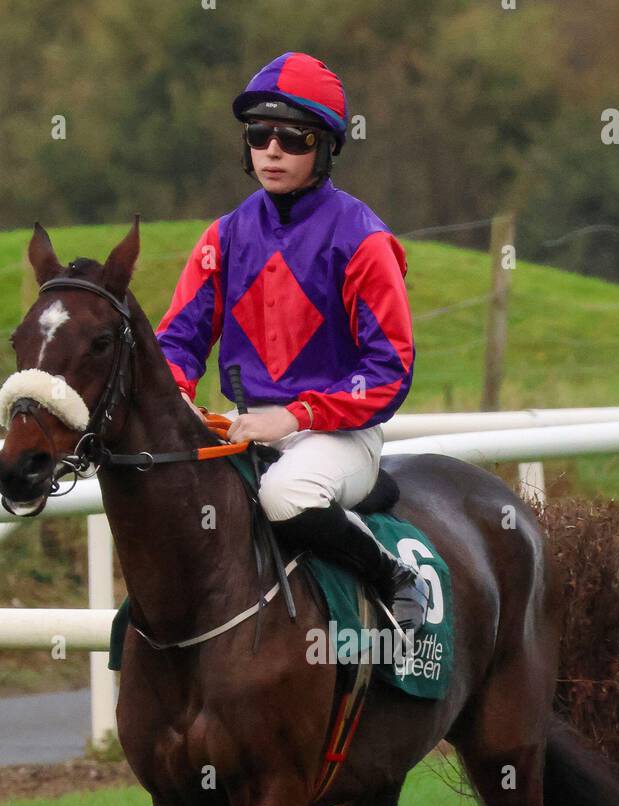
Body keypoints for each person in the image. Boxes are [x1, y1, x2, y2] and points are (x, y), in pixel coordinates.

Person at [155, 51, 429, 635]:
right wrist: (176, 395)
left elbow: (389, 369)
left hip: (340, 435)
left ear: (326, 147)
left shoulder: (364, 241)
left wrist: (298, 414)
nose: (272, 150)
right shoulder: (223, 237)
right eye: (259, 134)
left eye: (294, 137)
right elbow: (178, 339)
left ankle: (392, 577)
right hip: (246, 425)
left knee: (283, 493)